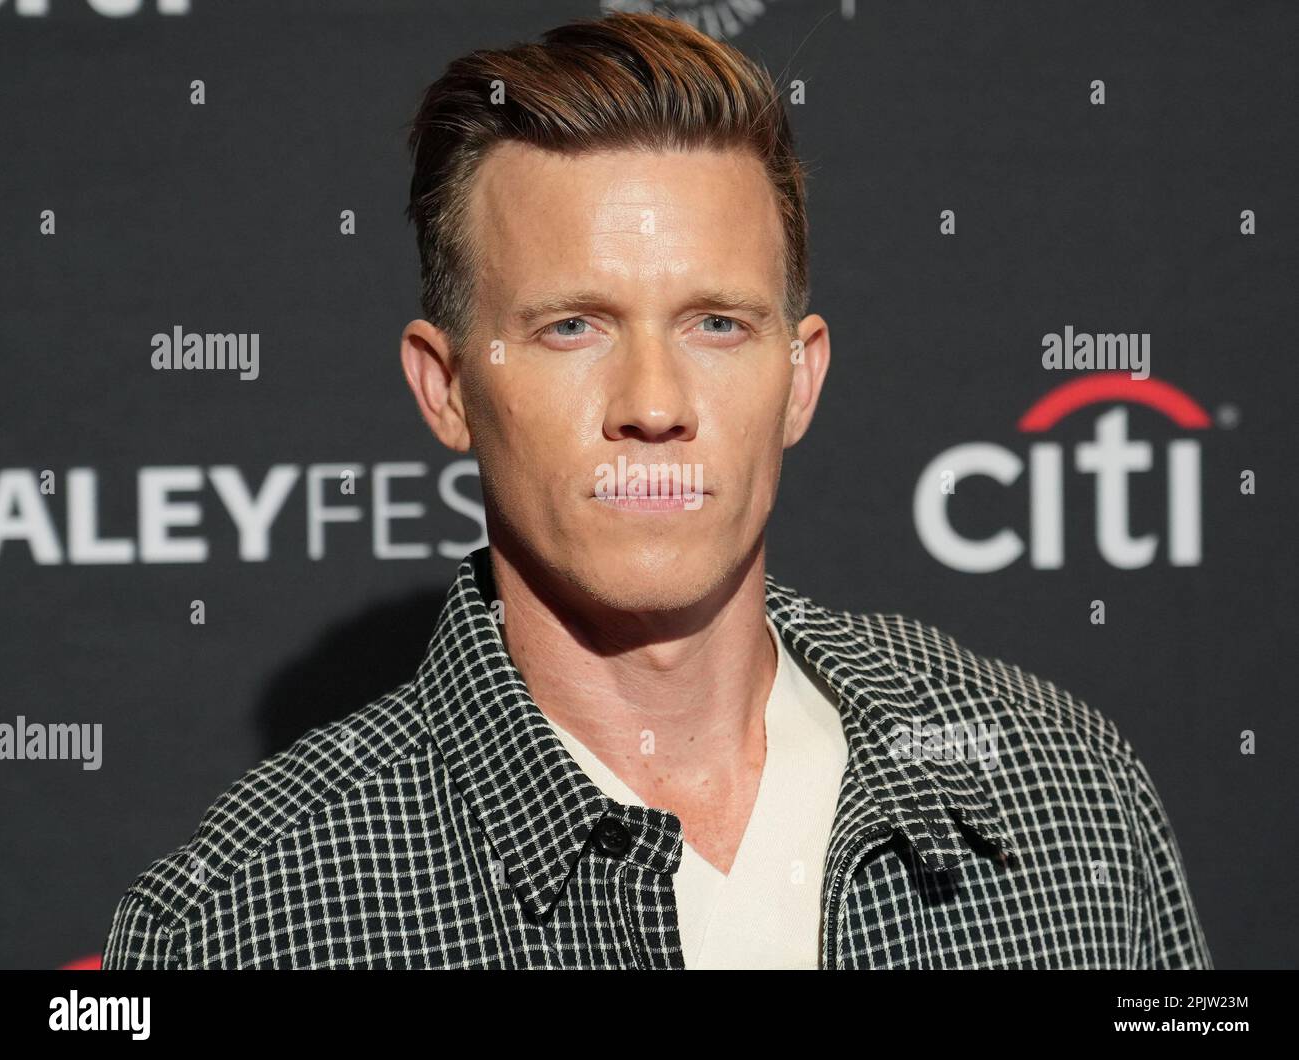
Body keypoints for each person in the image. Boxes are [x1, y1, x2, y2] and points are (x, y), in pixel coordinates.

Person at [102, 11, 1211, 969]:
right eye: (571, 326)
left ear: (799, 377)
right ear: (445, 390)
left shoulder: (1062, 791)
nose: (652, 401)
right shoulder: (246, 917)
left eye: (716, 324)